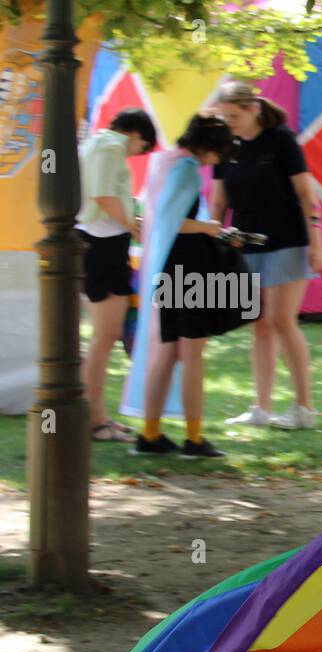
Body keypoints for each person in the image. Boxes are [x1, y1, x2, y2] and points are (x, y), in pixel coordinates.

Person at [124, 114, 244, 459]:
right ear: (208, 148)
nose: (217, 161)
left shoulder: (164, 162)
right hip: (188, 272)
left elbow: (160, 220)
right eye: (218, 153)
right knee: (192, 355)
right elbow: (174, 222)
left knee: (166, 351)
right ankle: (193, 438)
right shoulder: (187, 169)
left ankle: (150, 433)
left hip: (166, 270)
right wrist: (210, 228)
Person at [212, 81, 322, 430]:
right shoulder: (224, 146)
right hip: (246, 244)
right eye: (223, 116)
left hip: (289, 240)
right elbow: (218, 201)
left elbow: (307, 194)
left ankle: (304, 409)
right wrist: (214, 240)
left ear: (253, 110)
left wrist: (317, 241)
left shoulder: (281, 140)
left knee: (281, 321)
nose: (227, 122)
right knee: (259, 325)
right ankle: (260, 408)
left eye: (233, 116)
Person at [76, 108, 157, 442]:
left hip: (98, 241)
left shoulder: (94, 143)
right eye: (142, 147)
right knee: (105, 336)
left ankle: (97, 416)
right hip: (103, 244)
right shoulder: (110, 147)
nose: (137, 154)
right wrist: (133, 227)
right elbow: (104, 195)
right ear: (137, 134)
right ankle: (94, 420)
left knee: (104, 336)